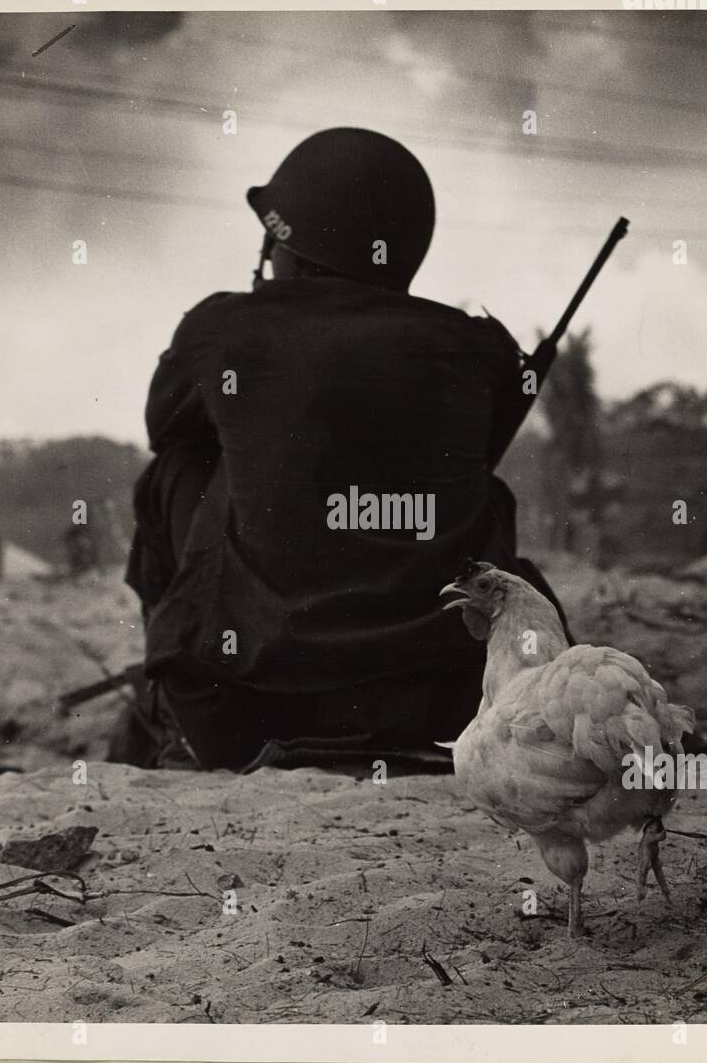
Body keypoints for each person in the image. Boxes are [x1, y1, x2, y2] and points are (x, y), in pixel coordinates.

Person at [124, 127, 565, 771]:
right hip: (450, 701)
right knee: (486, 493)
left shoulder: (222, 327)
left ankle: (172, 708)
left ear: (288, 245)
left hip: (243, 706)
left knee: (179, 468)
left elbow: (165, 427)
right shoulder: (477, 347)